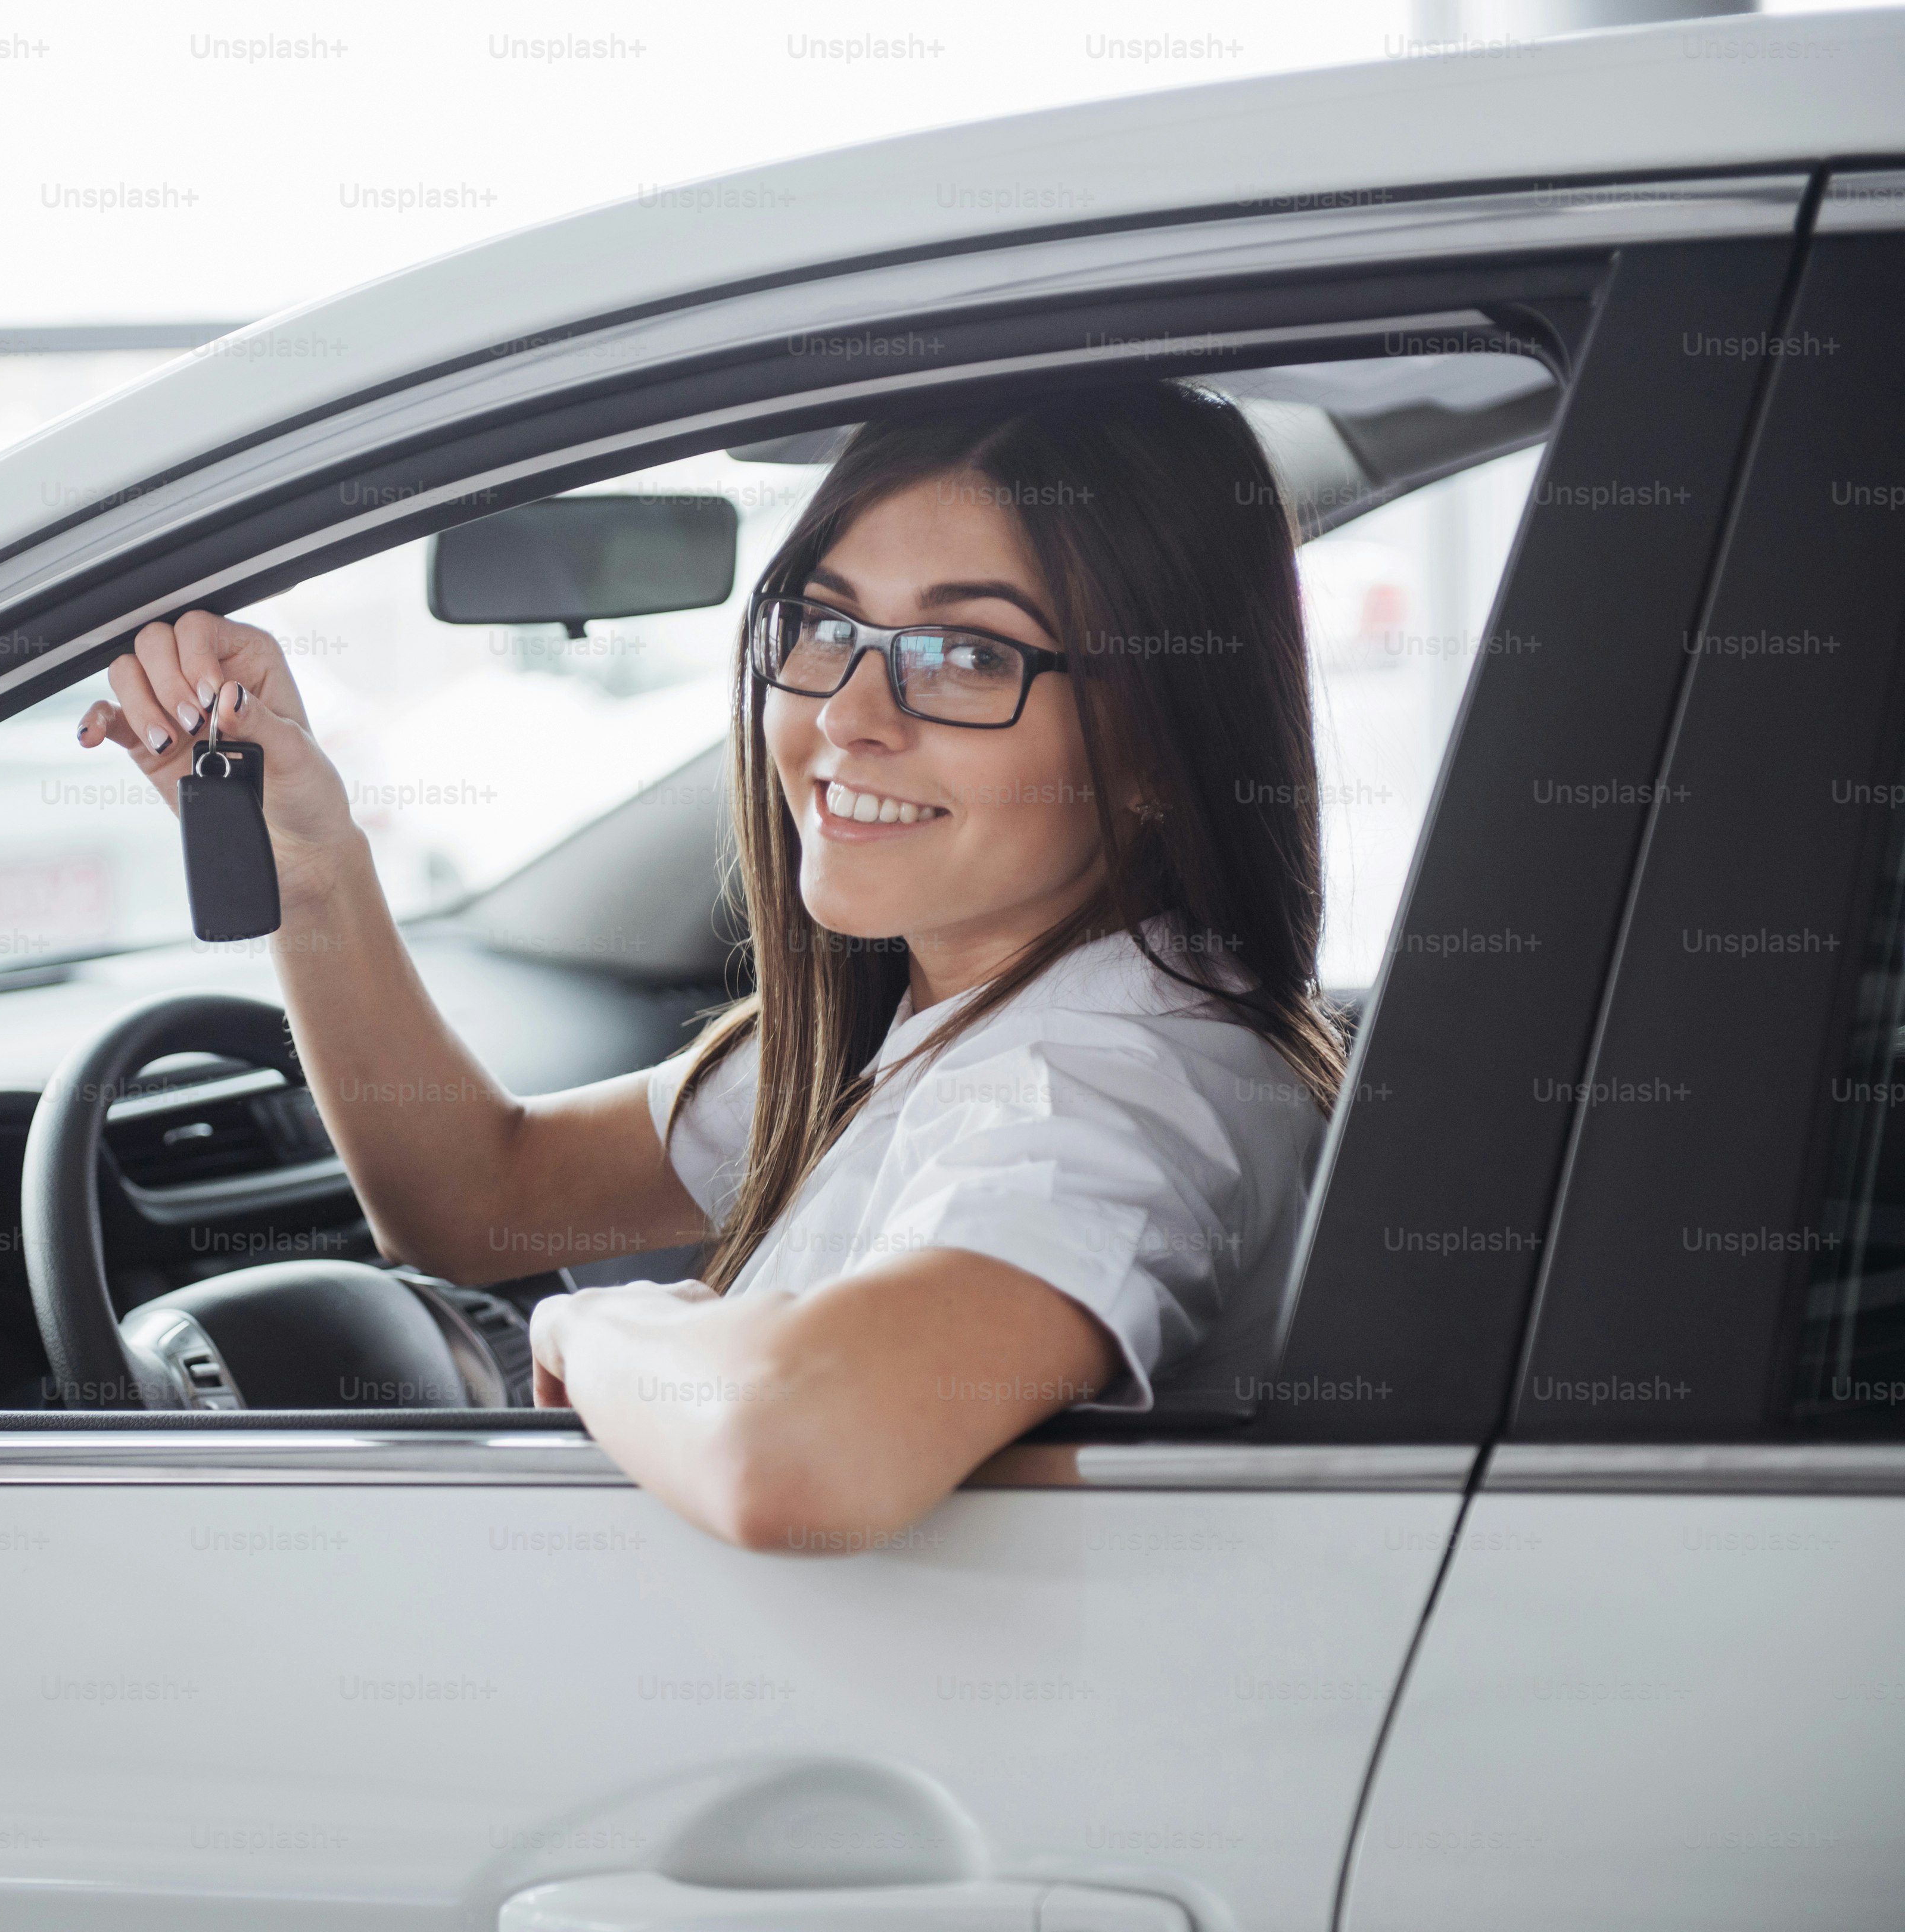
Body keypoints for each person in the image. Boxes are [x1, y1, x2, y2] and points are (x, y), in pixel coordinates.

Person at [74, 380, 1341, 1552]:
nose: (848, 714)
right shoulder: (946, 1016)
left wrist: (599, 1328)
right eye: (826, 624)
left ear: (1152, 748)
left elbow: (799, 1443)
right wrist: (311, 860)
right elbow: (479, 1194)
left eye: (967, 656)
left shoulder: (1106, 1085)